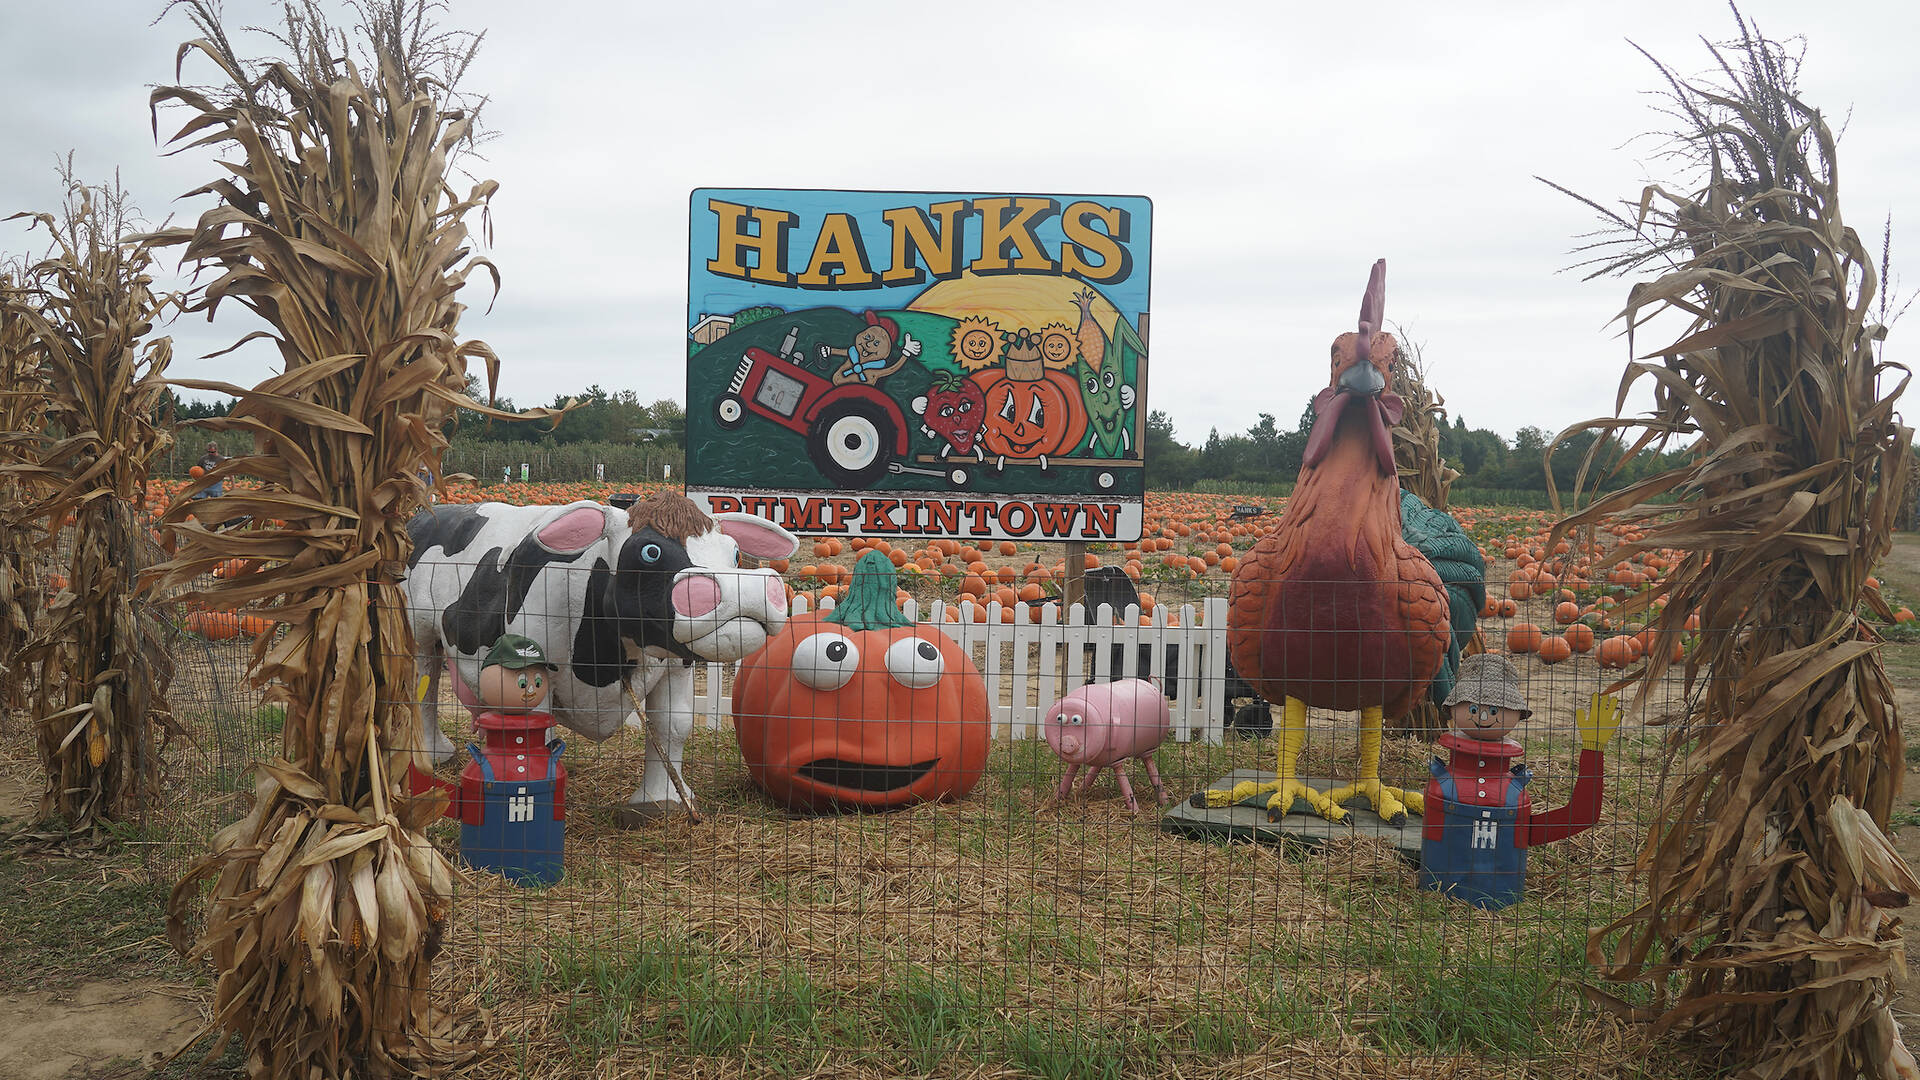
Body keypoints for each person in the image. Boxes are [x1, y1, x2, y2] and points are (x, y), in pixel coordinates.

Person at [1418, 653, 1618, 909]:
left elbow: (1581, 816)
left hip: (1500, 902)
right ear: (1452, 708)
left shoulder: (1507, 792)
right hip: (1443, 904)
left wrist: (1592, 751)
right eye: (1474, 709)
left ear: (1517, 714)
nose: (1484, 717)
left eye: (1494, 710)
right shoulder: (1451, 786)